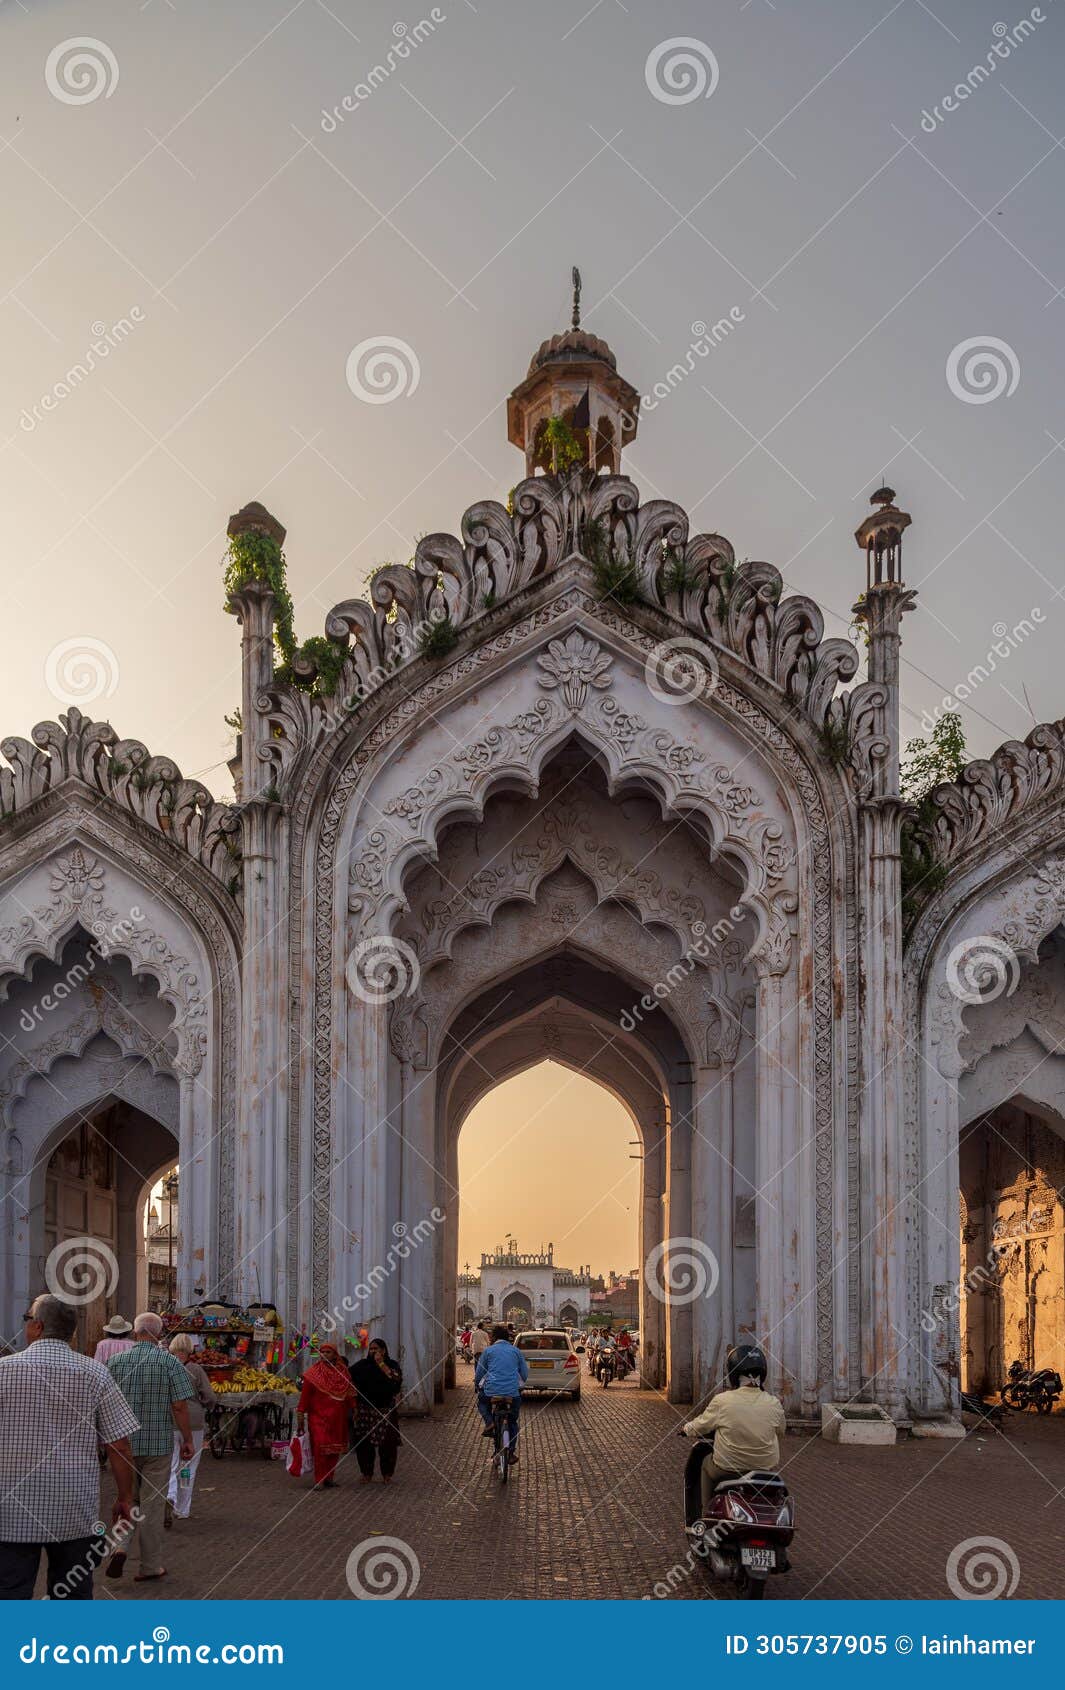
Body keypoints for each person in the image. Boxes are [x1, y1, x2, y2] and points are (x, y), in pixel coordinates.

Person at [0, 1295, 138, 1601]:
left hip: (10, 1511)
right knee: (73, 1596)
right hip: (74, 1509)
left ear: (36, 1327)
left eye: (27, 1319)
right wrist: (126, 1498)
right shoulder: (95, 1373)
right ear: (72, 1332)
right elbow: (119, 1445)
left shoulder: (3, 1371)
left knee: (9, 1594)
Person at [105, 1313, 196, 1582]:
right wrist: (188, 1439)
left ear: (135, 1332)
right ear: (159, 1334)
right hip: (158, 1445)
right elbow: (179, 1406)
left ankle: (120, 1546)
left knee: (126, 1498)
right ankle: (150, 1565)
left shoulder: (115, 1362)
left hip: (123, 1444)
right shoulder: (169, 1362)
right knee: (152, 1505)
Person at [682, 1345, 786, 1525]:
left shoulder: (723, 1401)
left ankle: (707, 1515)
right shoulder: (773, 1403)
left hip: (728, 1468)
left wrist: (686, 1429)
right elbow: (780, 1432)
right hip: (764, 1467)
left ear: (733, 1374)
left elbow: (701, 1425)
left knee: (705, 1464)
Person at [164, 1333, 217, 1527]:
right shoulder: (196, 1370)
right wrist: (204, 1404)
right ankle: (182, 1508)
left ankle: (169, 1494)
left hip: (170, 1419)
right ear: (190, 1349)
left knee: (171, 1462)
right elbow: (210, 1395)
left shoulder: (166, 1367)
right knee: (189, 1466)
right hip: (193, 1421)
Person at [296, 1342, 355, 1489]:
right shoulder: (313, 1374)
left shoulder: (343, 1372)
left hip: (337, 1417)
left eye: (328, 1352)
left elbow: (349, 1393)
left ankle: (329, 1477)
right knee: (320, 1447)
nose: (324, 1355)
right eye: (322, 1352)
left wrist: (354, 1408)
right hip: (318, 1417)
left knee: (333, 1449)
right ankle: (319, 1479)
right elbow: (305, 1396)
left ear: (335, 1355)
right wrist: (301, 1413)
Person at [349, 1338, 403, 1484]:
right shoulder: (362, 1365)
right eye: (371, 1349)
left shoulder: (391, 1365)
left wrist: (381, 1364)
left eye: (376, 1349)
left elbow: (396, 1380)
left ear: (384, 1351)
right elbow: (347, 1375)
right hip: (365, 1410)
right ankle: (367, 1473)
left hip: (385, 1409)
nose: (373, 1352)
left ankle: (387, 1474)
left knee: (388, 1444)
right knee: (364, 1444)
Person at [474, 1323, 528, 1463]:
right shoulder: (515, 1351)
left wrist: (477, 1384)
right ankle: (510, 1453)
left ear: (494, 1338)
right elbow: (524, 1374)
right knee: (512, 1421)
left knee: (481, 1402)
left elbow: (479, 1372)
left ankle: (490, 1422)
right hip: (512, 1393)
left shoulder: (489, 1351)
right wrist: (519, 1384)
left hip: (492, 1391)